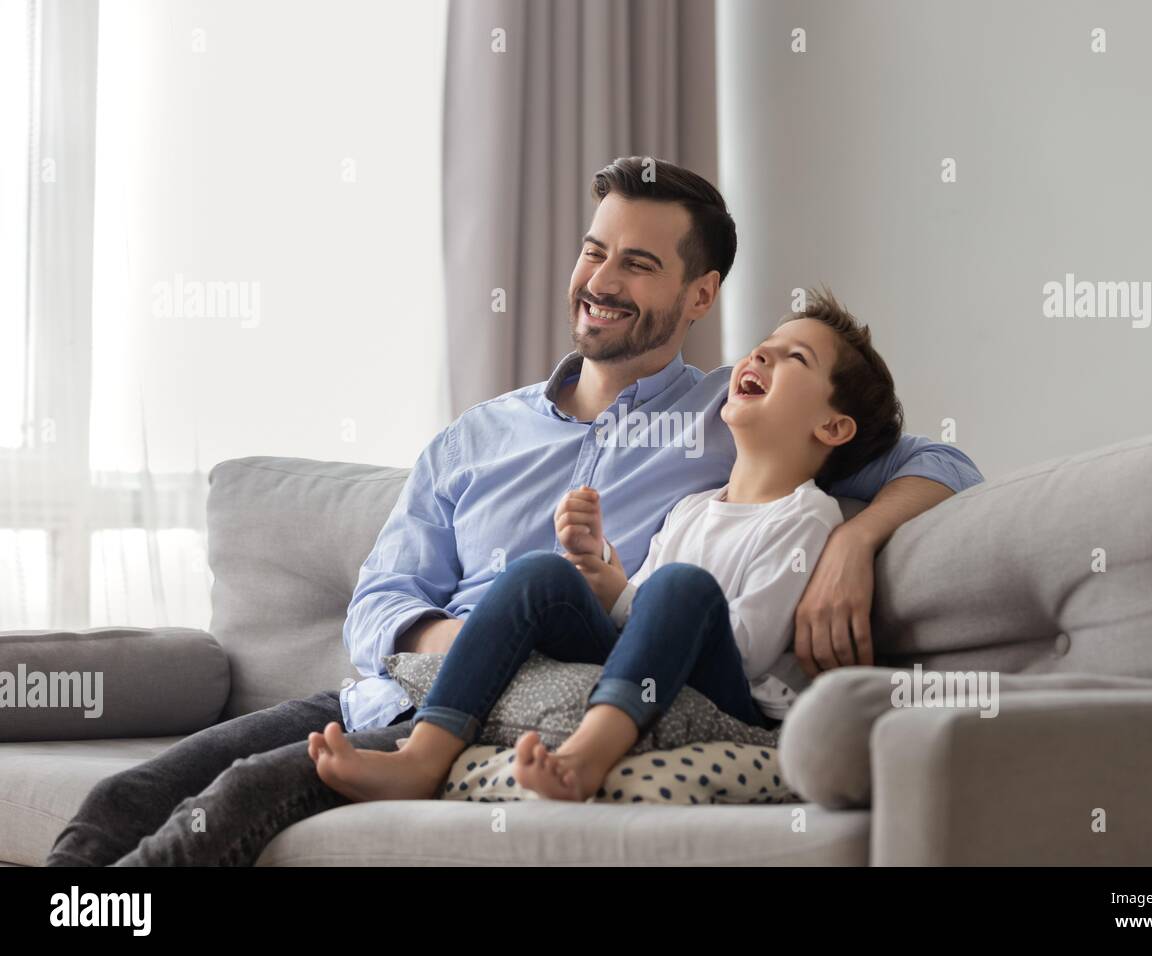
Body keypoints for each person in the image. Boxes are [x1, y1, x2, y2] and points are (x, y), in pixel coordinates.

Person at [47, 157, 983, 866]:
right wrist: (472, 641)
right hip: (402, 692)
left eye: (640, 264)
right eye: (594, 250)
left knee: (239, 799)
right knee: (138, 789)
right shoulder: (475, 438)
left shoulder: (729, 419)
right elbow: (379, 603)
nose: (603, 281)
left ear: (699, 296)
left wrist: (859, 538)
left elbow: (941, 460)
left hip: (533, 706)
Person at [308, 291, 875, 802]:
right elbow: (635, 609)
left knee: (682, 587)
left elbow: (743, 647)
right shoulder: (694, 507)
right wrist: (600, 570)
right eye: (764, 348)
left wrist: (631, 597)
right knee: (542, 576)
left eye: (795, 358)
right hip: (649, 669)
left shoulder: (807, 515)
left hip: (732, 698)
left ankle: (585, 756)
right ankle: (423, 754)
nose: (760, 359)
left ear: (833, 427)